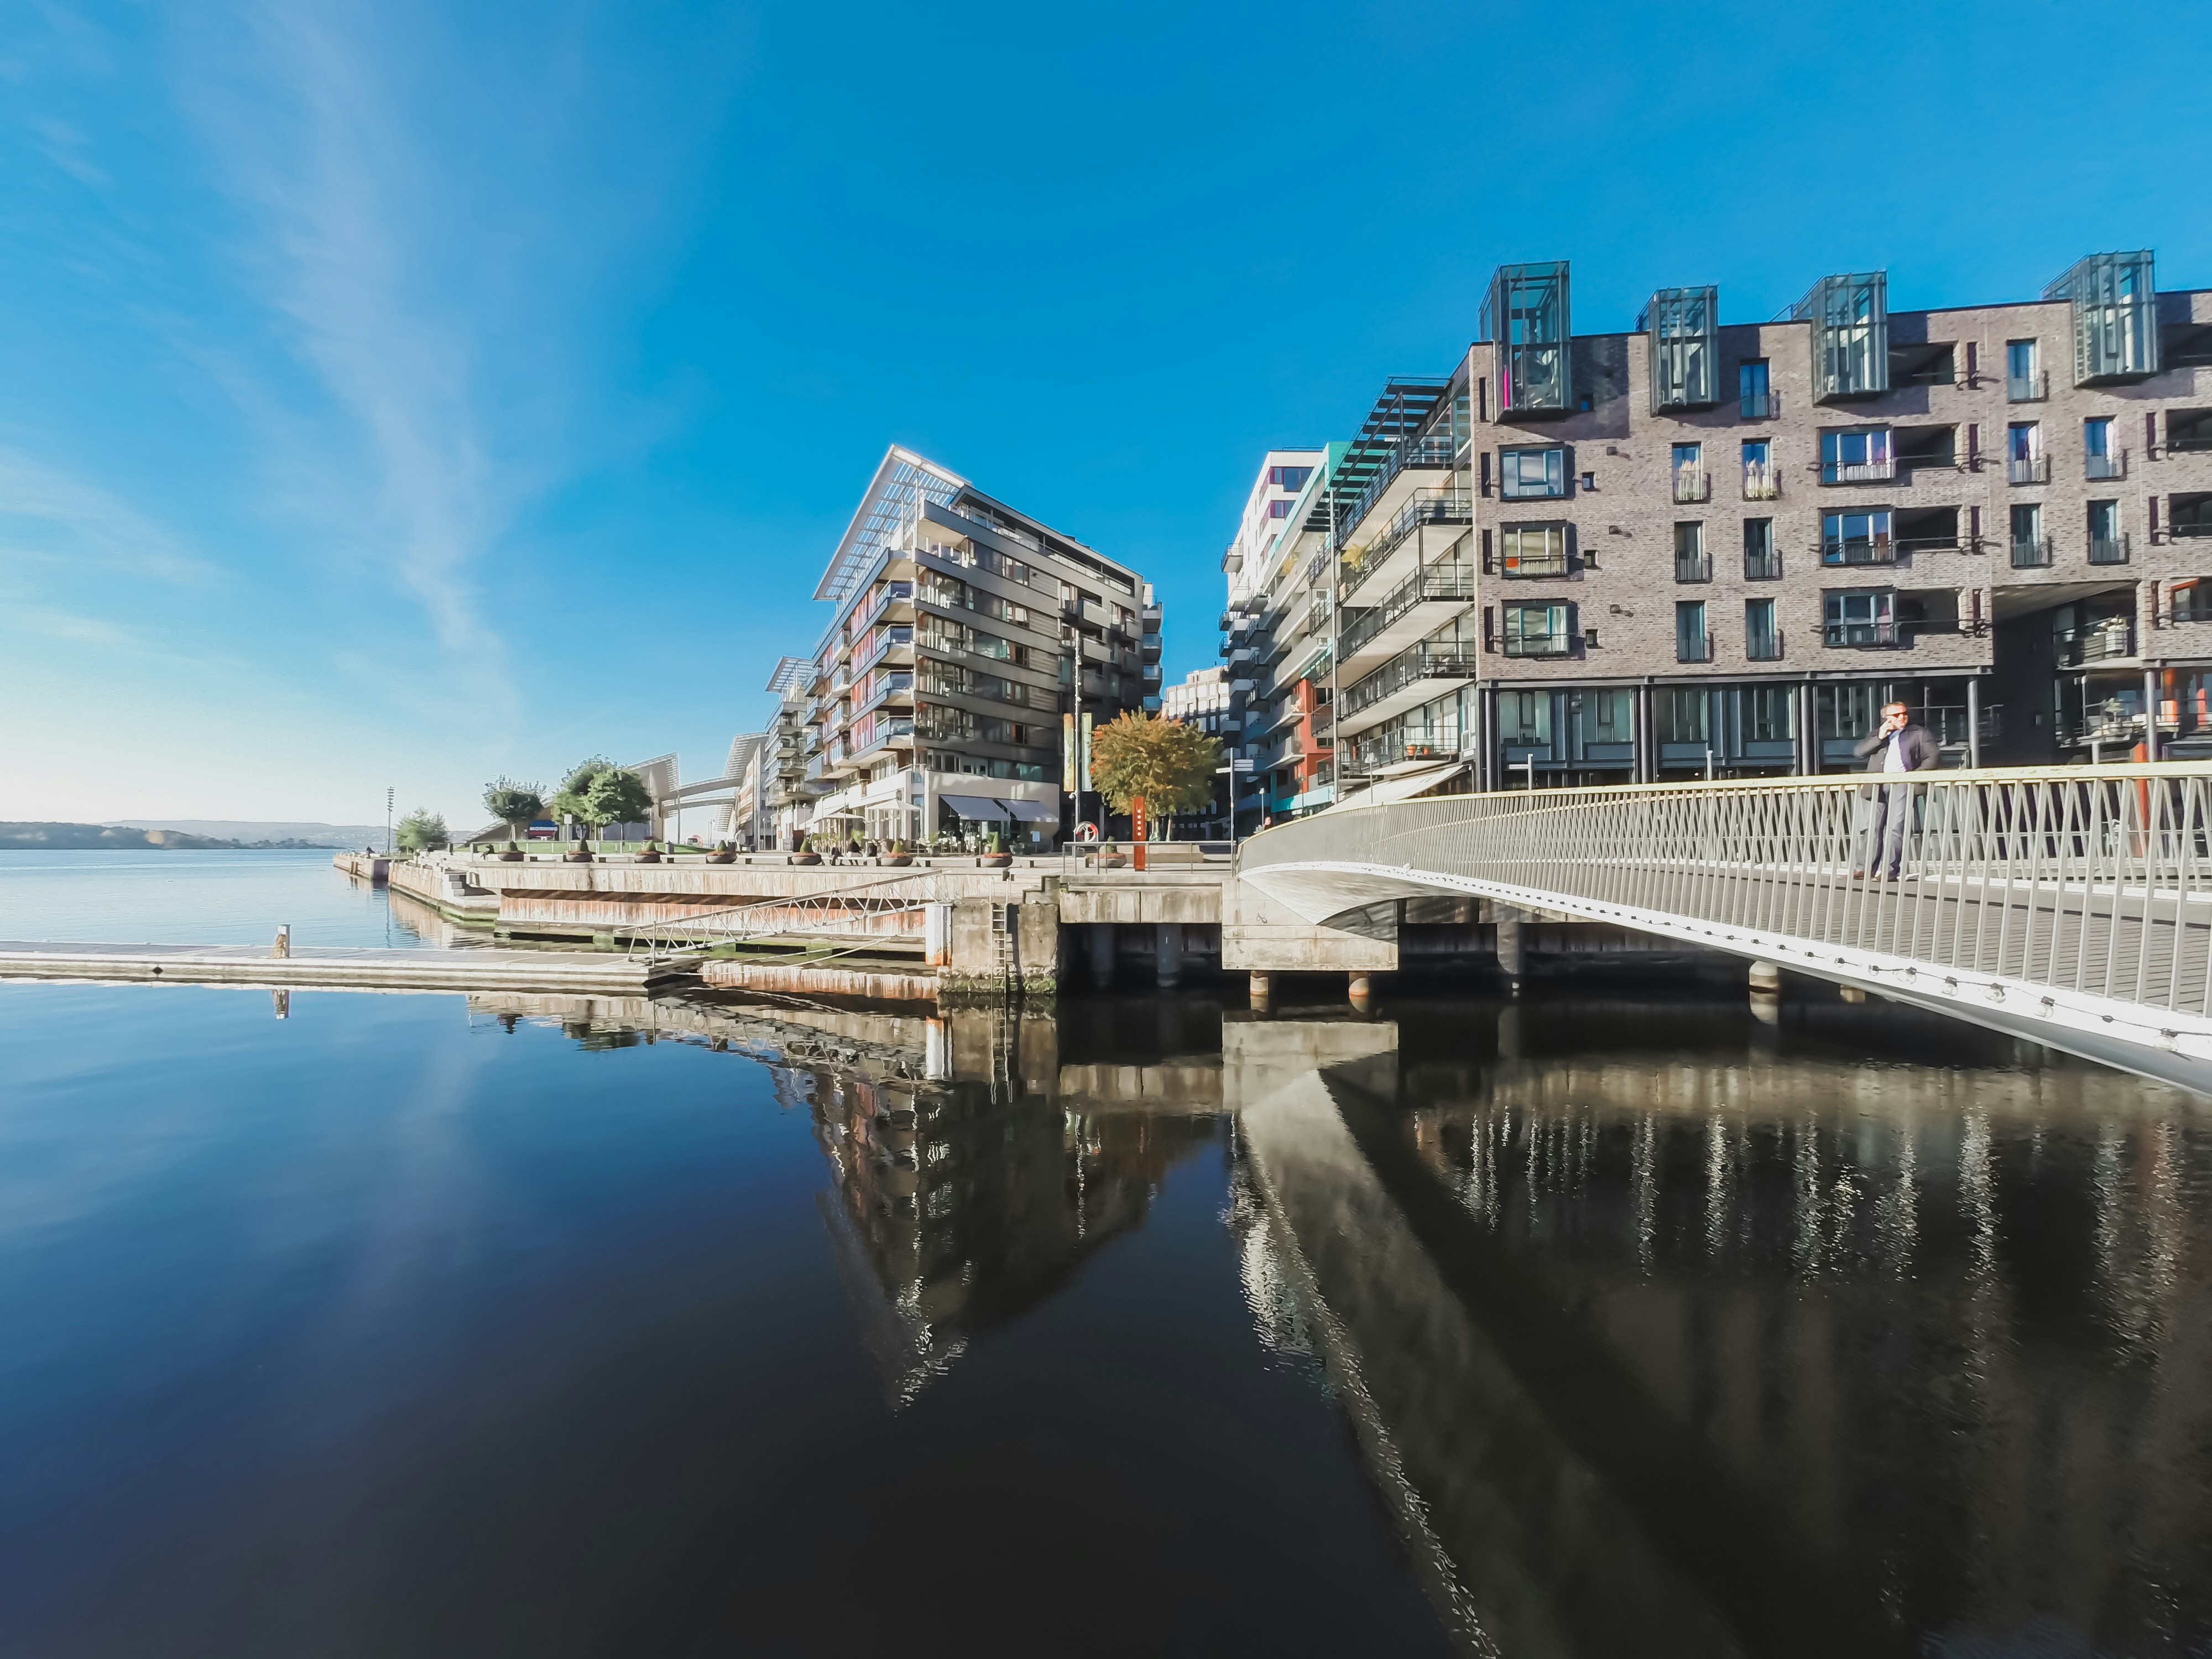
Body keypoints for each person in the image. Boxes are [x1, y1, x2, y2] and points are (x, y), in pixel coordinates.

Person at [1853, 700, 1939, 880]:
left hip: (1902, 783)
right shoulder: (1877, 734)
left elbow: (1933, 756)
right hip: (1877, 784)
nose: (1902, 717)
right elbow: (1859, 753)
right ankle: (1864, 868)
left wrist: (1913, 776)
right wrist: (1880, 738)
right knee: (1872, 827)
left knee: (1895, 827)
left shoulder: (1919, 733)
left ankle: (1889, 871)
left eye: (1904, 713)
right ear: (1886, 718)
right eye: (1897, 715)